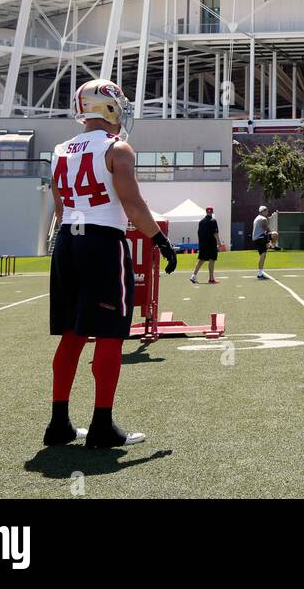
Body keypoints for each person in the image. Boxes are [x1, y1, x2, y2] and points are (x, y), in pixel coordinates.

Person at [44, 79, 177, 449]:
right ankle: (101, 425)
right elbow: (133, 205)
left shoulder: (58, 151)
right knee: (109, 333)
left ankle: (59, 424)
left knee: (72, 333)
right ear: (110, 107)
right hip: (103, 243)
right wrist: (161, 242)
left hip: (68, 241)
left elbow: (60, 207)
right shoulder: (118, 149)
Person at [190, 205, 220, 284]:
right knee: (212, 260)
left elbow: (199, 233)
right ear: (212, 212)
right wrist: (219, 243)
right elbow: (215, 233)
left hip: (203, 244)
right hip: (211, 244)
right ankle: (211, 278)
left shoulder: (201, 222)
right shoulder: (213, 221)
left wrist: (201, 243)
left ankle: (193, 275)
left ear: (206, 211)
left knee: (201, 260)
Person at [252, 205, 273, 280]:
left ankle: (260, 273)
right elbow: (266, 229)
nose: (267, 211)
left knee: (263, 255)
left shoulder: (258, 217)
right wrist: (271, 237)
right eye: (266, 210)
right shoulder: (263, 218)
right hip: (260, 238)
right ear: (262, 211)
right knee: (275, 234)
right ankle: (272, 246)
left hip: (258, 238)